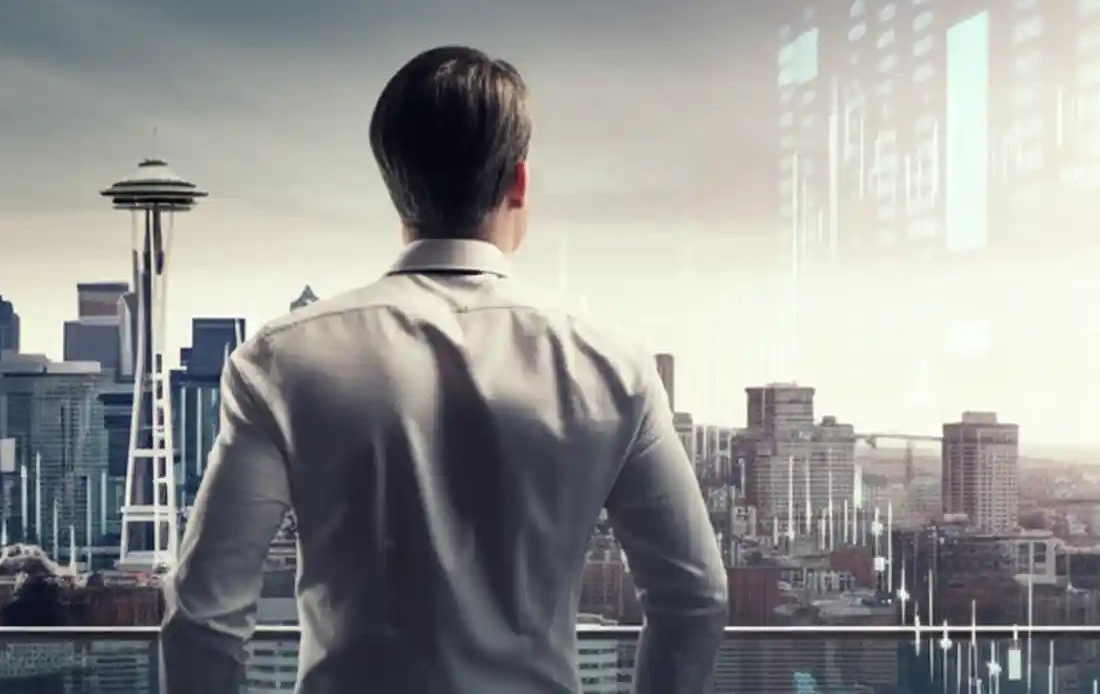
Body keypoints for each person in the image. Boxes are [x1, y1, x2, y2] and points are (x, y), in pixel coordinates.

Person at [161, 46, 728, 694]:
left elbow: (203, 614)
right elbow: (696, 599)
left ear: (394, 182)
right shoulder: (612, 363)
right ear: (519, 181)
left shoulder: (283, 359)